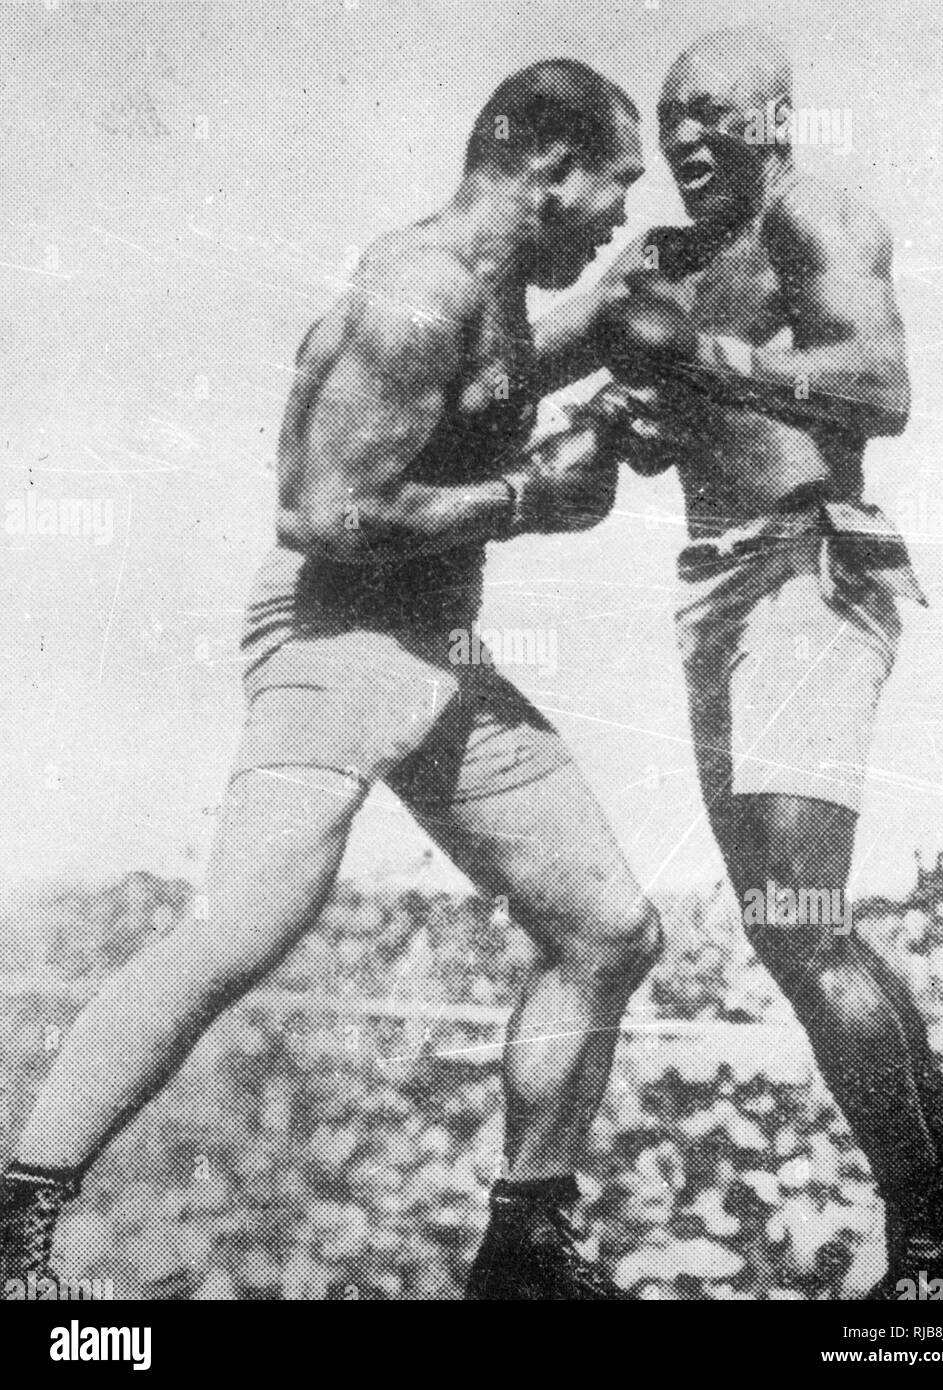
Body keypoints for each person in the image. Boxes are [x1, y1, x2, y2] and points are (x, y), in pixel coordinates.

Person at [0, 60, 662, 1302]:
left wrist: (640, 313)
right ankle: (16, 1215)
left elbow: (505, 378)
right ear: (547, 168)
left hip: (436, 654)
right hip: (337, 639)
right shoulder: (414, 294)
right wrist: (528, 500)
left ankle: (522, 1247)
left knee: (608, 930)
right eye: (614, 193)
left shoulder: (496, 286)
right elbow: (321, 510)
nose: (618, 219)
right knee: (241, 930)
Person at [536, 29, 943, 1295]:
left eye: (711, 115)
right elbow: (550, 354)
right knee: (786, 926)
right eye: (669, 119)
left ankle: (934, 1231)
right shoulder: (664, 258)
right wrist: (614, 416)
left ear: (776, 121)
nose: (686, 139)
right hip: (710, 589)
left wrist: (701, 362)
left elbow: (879, 382)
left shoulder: (813, 212)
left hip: (808, 565)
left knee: (801, 922)